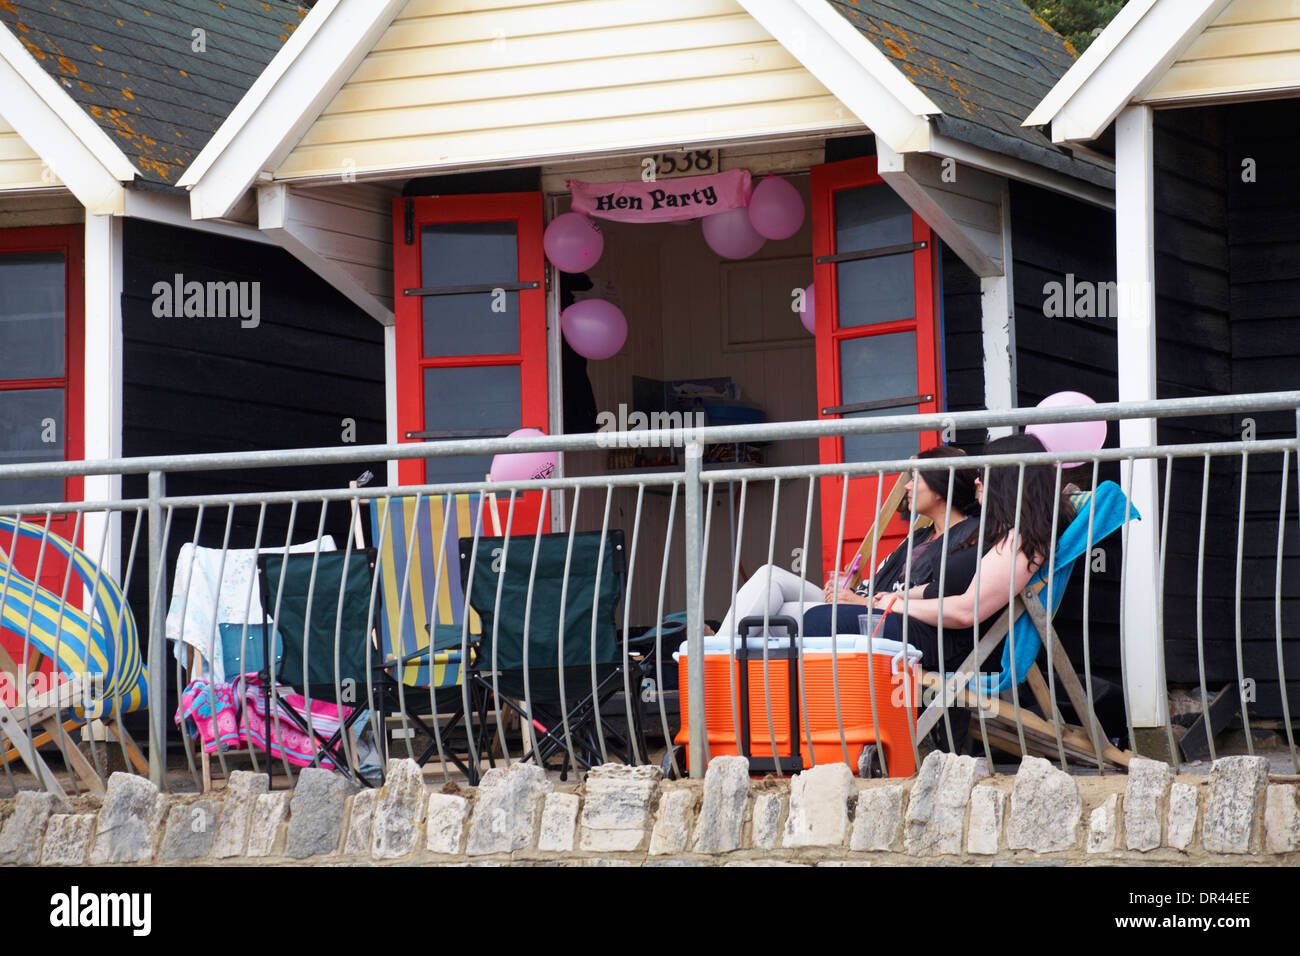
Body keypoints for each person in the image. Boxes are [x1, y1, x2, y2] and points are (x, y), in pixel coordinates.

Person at [863, 433, 1077, 675]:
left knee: (827, 621)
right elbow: (941, 589)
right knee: (828, 617)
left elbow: (967, 612)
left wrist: (896, 606)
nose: (977, 481)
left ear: (1005, 480)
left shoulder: (1023, 541)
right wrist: (897, 597)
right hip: (930, 630)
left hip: (953, 646)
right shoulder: (996, 532)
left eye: (983, 473)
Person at [711, 446, 979, 638]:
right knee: (770, 577)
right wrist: (847, 591)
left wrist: (857, 600)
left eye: (915, 479)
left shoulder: (966, 538)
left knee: (772, 614)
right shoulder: (921, 535)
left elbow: (929, 594)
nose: (907, 487)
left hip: (884, 614)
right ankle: (715, 657)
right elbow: (876, 581)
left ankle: (711, 660)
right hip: (862, 601)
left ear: (942, 487)